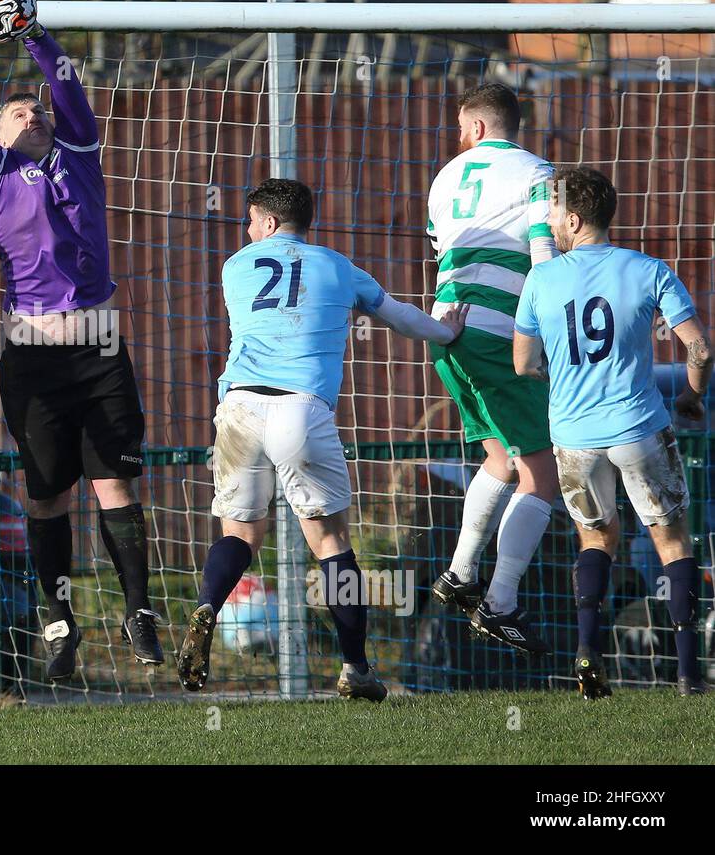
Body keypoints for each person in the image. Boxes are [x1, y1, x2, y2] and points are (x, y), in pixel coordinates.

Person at [0, 0, 161, 681]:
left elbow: (65, 87)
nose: (30, 115)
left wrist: (35, 34)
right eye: (17, 115)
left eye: (35, 111)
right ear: (2, 140)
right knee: (45, 492)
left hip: (99, 347)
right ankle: (59, 621)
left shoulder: (81, 157)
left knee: (117, 488)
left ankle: (138, 614)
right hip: (34, 356)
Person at [176, 178, 467, 700]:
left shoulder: (236, 266)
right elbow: (398, 317)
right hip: (301, 409)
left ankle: (206, 606)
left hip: (240, 406)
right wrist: (446, 331)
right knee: (330, 543)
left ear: (266, 223)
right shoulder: (337, 267)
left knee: (239, 537)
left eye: (250, 221)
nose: (247, 230)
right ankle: (355, 668)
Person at [513, 166, 711, 698]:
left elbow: (524, 364)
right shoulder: (648, 269)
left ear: (574, 220)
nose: (549, 221)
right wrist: (691, 396)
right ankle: (690, 673)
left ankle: (586, 652)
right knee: (671, 542)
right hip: (639, 426)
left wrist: (564, 377)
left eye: (553, 211)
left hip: (574, 435)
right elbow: (700, 348)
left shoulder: (541, 279)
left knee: (596, 539)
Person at [426, 82, 560, 654]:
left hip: (446, 328)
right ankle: (500, 604)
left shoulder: (444, 178)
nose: (458, 136)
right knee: (542, 470)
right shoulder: (537, 171)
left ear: (477, 127)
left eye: (461, 126)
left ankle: (458, 574)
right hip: (502, 330)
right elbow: (543, 250)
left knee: (500, 457)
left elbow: (439, 251)